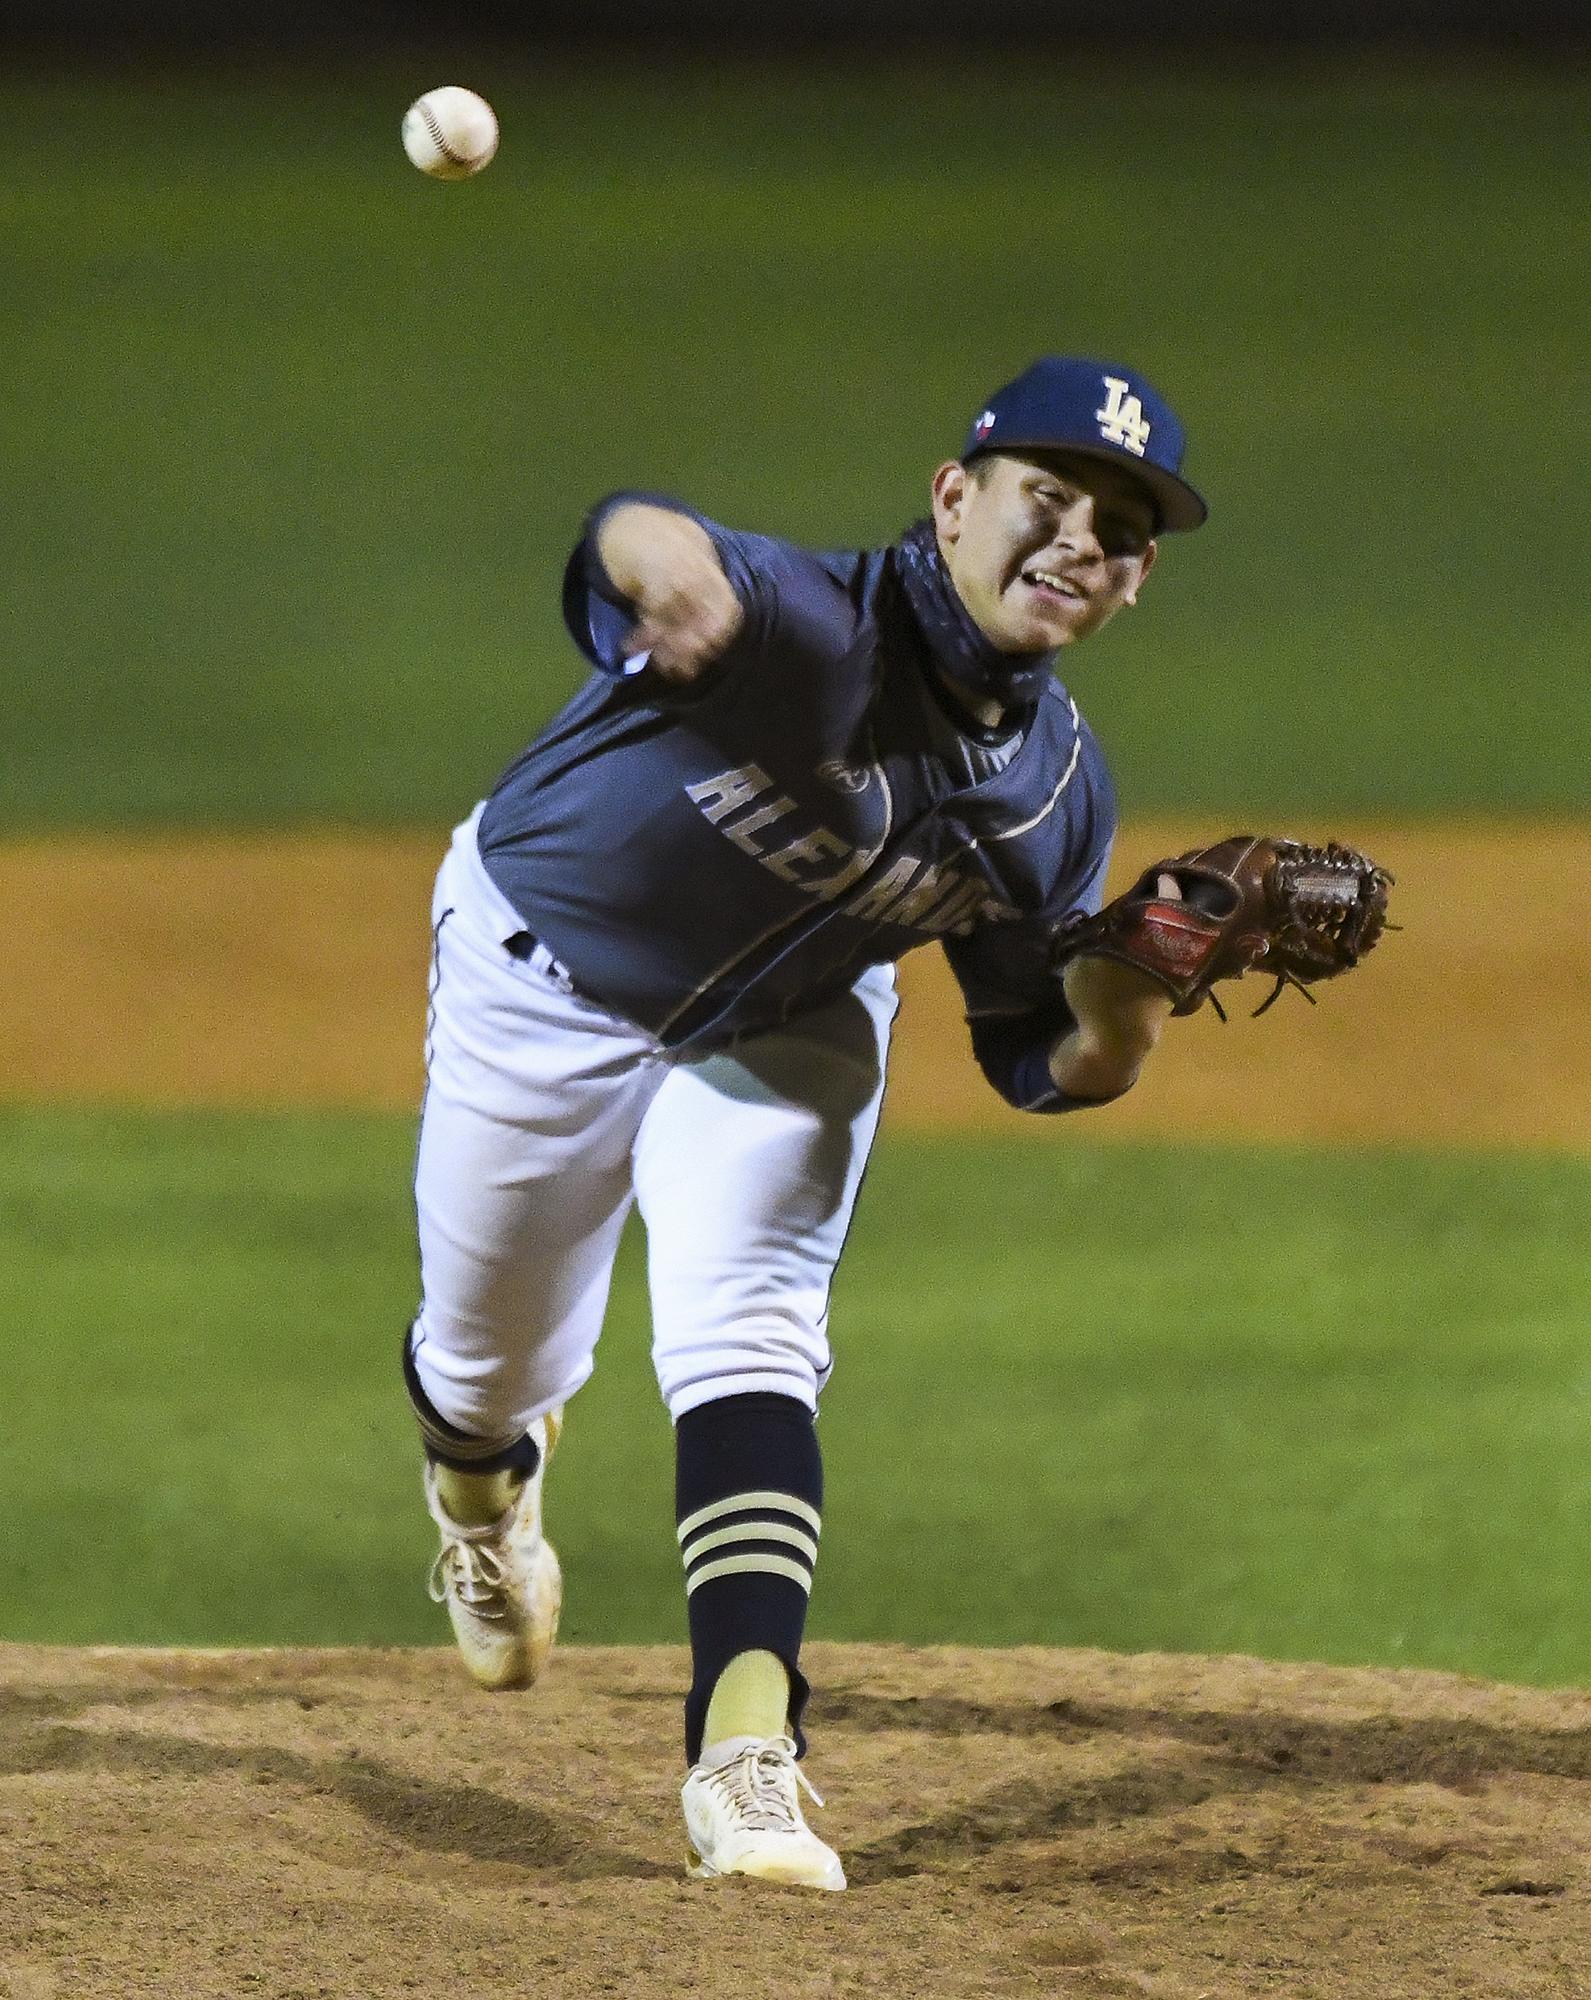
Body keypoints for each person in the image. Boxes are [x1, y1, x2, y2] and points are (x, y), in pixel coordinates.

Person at [404, 355, 1208, 1890]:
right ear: (954, 497)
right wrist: (670, 576)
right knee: (485, 1359)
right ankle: (477, 1487)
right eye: (1049, 496)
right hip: (544, 975)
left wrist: (1144, 989)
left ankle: (747, 1755)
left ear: (1134, 582)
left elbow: (1046, 1063)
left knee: (753, 1335)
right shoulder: (794, 621)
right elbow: (632, 536)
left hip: (795, 1022)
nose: (1076, 538)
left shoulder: (1060, 795)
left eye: (1116, 526)